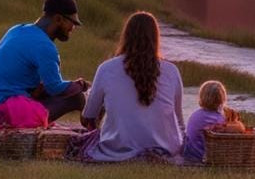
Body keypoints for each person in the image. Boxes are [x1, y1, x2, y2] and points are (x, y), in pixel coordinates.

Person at [0, 0, 89, 132]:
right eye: (72, 23)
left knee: (44, 90)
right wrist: (82, 86)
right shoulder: (45, 46)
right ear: (58, 19)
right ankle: (93, 127)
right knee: (77, 97)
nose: (72, 28)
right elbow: (55, 87)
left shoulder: (16, 30)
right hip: (0, 112)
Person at [78, 11, 186, 162]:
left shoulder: (106, 68)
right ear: (156, 38)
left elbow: (88, 116)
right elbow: (180, 121)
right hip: (166, 149)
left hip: (115, 149)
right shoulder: (171, 71)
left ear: (126, 37)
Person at [182, 79, 241, 163]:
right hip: (202, 157)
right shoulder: (217, 119)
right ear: (222, 98)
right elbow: (237, 130)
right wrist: (235, 121)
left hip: (190, 155)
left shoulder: (195, 115)